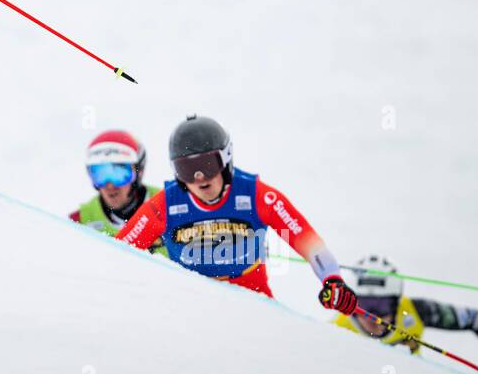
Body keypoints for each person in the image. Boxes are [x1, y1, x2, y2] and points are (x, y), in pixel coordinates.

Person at [114, 114, 358, 312]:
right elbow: (116, 255)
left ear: (226, 158)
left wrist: (332, 280)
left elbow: (308, 242)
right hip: (190, 311)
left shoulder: (257, 196)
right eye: (187, 169)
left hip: (255, 308)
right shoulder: (164, 205)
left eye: (207, 165)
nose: (199, 179)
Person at [335, 255, 478, 368]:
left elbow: (472, 318)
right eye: (365, 305)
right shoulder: (337, 330)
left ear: (396, 302)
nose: (373, 316)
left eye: (382, 305)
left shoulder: (415, 311)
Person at [70, 131, 166, 254]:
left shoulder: (167, 205)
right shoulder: (80, 221)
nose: (109, 185)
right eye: (100, 174)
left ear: (138, 172)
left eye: (119, 174)